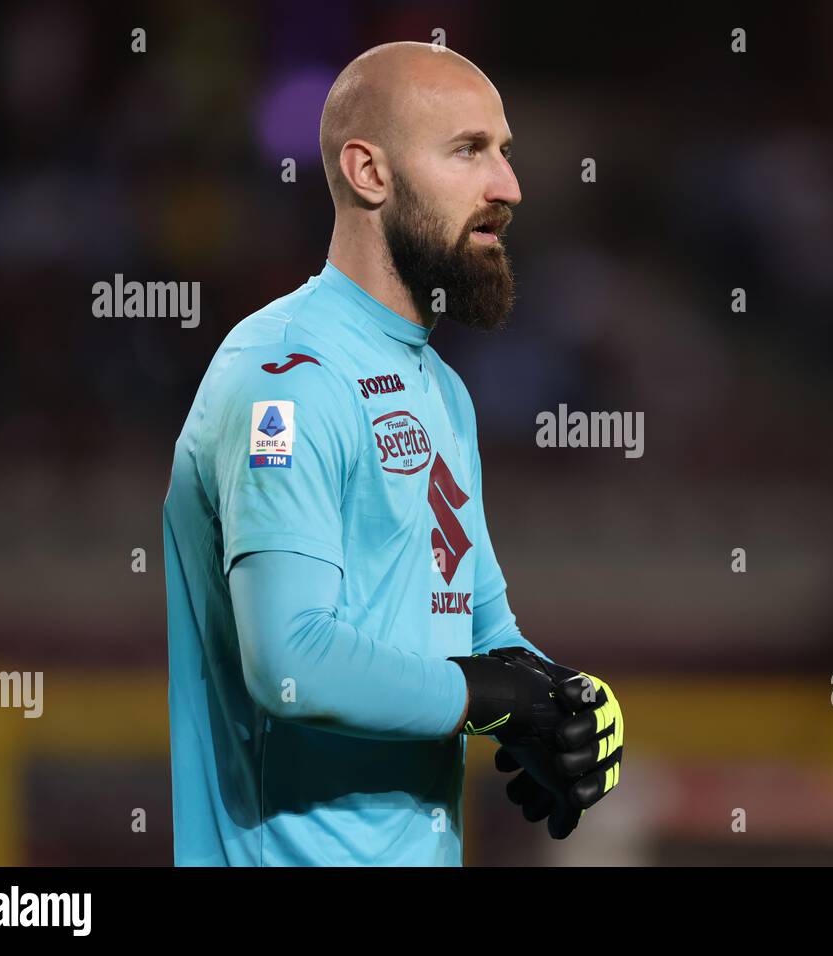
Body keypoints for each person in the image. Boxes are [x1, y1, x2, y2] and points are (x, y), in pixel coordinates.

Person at [162, 41, 623, 866]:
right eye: (469, 151)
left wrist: (566, 706)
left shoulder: (442, 389)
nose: (508, 188)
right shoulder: (287, 379)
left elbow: (487, 632)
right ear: (369, 173)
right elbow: (290, 660)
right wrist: (490, 698)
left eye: (506, 154)